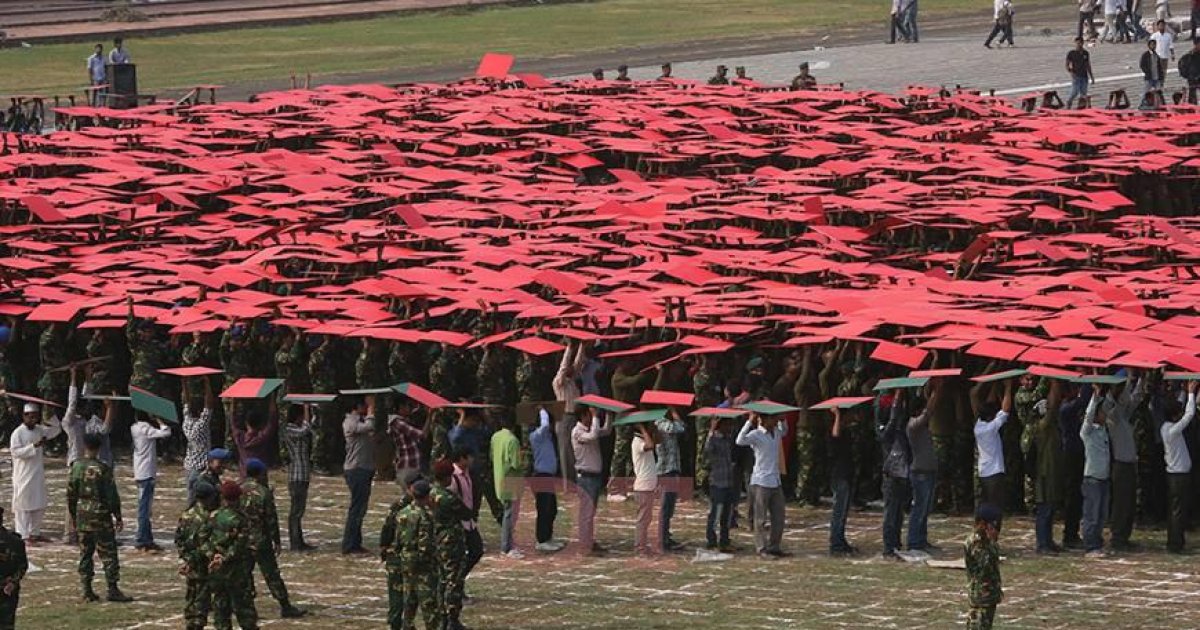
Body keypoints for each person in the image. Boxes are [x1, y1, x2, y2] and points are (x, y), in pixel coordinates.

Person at [67, 433, 131, 603]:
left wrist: (73, 515)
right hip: (101, 515)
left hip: (83, 514)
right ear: (99, 447)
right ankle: (112, 588)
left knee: (85, 553)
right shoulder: (103, 469)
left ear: (85, 445)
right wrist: (117, 515)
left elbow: (71, 493)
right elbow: (111, 495)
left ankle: (86, 589)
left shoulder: (76, 466)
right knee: (108, 553)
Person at [239, 458, 306, 619]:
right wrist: (276, 540)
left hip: (242, 539)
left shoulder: (239, 489)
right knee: (271, 574)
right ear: (260, 474)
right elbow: (271, 519)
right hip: (260, 540)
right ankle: (285, 605)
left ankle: (247, 607)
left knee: (244, 574)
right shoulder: (264, 493)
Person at [737, 410, 790, 559]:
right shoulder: (756, 434)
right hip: (761, 481)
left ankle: (774, 546)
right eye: (773, 418)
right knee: (760, 518)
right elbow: (739, 440)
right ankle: (761, 548)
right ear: (764, 419)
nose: (775, 421)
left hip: (775, 480)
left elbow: (785, 431)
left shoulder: (776, 432)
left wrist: (783, 419)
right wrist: (749, 421)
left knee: (779, 517)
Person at [206, 481, 257, 630]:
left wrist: (214, 556)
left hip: (217, 569)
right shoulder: (241, 519)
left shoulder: (214, 516)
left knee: (221, 608)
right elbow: (240, 545)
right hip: (236, 570)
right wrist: (226, 557)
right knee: (244, 609)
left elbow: (206, 539)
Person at [430, 460, 474, 630]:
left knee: (441, 580)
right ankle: (452, 619)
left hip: (437, 540)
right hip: (452, 543)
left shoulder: (430, 494)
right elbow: (466, 513)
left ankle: (442, 617)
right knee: (454, 581)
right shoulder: (448, 498)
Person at [10, 402, 61, 542]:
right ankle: (23, 535)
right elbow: (15, 452)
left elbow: (56, 430)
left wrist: (51, 415)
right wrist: (34, 446)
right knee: (23, 505)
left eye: (35, 417)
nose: (33, 419)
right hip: (23, 475)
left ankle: (35, 533)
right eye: (30, 417)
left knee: (39, 503)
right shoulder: (18, 433)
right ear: (24, 416)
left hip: (37, 474)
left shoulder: (40, 430)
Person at [380, 470, 420, 630]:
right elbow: (387, 529)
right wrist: (384, 549)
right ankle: (396, 624)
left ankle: (407, 624)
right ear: (409, 487)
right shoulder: (400, 506)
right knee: (397, 596)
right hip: (398, 557)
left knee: (412, 596)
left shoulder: (417, 504)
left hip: (410, 557)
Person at [176, 480, 218, 630]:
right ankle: (197, 624)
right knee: (202, 598)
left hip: (190, 562)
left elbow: (179, 539)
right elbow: (206, 543)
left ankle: (190, 622)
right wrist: (212, 556)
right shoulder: (207, 518)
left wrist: (186, 558)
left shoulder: (186, 515)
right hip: (202, 563)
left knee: (191, 594)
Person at [397, 479, 438, 630]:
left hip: (406, 558)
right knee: (428, 602)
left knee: (409, 598)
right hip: (421, 563)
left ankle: (407, 625)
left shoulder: (403, 512)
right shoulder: (424, 516)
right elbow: (425, 544)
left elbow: (398, 537)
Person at [973, 380, 1013, 532]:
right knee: (996, 508)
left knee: (986, 507)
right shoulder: (990, 429)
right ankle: (992, 536)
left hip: (984, 472)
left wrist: (995, 388)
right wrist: (1008, 388)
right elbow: (1006, 410)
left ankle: (982, 534)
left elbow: (989, 407)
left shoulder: (978, 425)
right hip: (994, 473)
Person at [1161, 380, 1196, 554]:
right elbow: (1189, 415)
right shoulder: (1171, 431)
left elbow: (1181, 410)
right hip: (1178, 476)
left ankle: (1176, 541)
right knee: (1177, 511)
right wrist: (1191, 392)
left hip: (1178, 475)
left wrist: (1184, 390)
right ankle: (1175, 544)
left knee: (1177, 510)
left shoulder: (1167, 427)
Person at [571, 404, 610, 554]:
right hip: (585, 478)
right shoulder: (577, 432)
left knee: (590, 513)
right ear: (583, 415)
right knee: (586, 514)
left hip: (593, 477)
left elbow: (606, 430)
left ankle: (589, 541)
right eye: (589, 414)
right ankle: (584, 544)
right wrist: (595, 416)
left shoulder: (590, 429)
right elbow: (593, 435)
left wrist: (609, 414)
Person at [907, 380, 941, 552]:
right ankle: (914, 541)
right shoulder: (913, 425)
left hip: (928, 471)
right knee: (919, 508)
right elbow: (928, 413)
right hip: (920, 472)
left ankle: (921, 539)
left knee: (925, 509)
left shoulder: (921, 426)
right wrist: (936, 393)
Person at [130, 411, 171, 552]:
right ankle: (141, 540)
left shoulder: (134, 427)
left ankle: (147, 539)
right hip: (146, 473)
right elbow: (166, 432)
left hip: (140, 471)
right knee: (144, 509)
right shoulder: (145, 428)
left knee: (146, 508)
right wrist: (159, 420)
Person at [342, 395, 376, 555]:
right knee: (356, 509)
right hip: (356, 469)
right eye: (365, 405)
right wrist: (371, 409)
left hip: (364, 468)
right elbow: (369, 426)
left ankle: (355, 543)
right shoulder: (350, 421)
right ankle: (349, 545)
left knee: (360, 509)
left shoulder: (360, 421)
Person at [879, 390, 911, 559]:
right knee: (890, 514)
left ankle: (896, 543)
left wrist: (902, 400)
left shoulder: (900, 432)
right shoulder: (885, 431)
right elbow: (892, 421)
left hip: (901, 474)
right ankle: (888, 547)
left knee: (898, 513)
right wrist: (897, 401)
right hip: (891, 476)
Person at [1080, 386, 1111, 558]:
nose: (1105, 415)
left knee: (1101, 514)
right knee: (1091, 514)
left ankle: (1097, 543)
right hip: (1092, 478)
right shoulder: (1088, 432)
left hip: (1104, 477)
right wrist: (1095, 397)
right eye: (1102, 413)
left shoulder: (1103, 430)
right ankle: (1090, 546)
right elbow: (1088, 416)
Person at [528, 407, 563, 552]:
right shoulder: (536, 436)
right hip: (541, 476)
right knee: (544, 510)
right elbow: (545, 425)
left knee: (552, 509)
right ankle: (541, 540)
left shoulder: (548, 437)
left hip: (548, 477)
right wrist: (543, 410)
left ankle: (548, 537)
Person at [283, 403, 316, 551]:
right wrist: (306, 409)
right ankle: (295, 543)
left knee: (299, 511)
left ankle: (299, 542)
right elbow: (305, 430)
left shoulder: (298, 428)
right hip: (296, 476)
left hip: (302, 475)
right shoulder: (289, 429)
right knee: (295, 512)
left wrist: (312, 412)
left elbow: (311, 427)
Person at [965, 504, 1003, 630]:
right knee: (978, 625)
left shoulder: (986, 541)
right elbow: (985, 564)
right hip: (981, 595)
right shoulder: (976, 542)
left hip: (989, 593)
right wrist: (991, 541)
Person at [449, 449, 484, 584]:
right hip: (458, 523)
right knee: (457, 557)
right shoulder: (452, 476)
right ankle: (455, 582)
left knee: (477, 550)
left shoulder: (471, 474)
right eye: (469, 457)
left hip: (469, 521)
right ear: (461, 458)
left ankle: (459, 579)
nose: (472, 460)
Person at [491, 415, 523, 558]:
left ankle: (508, 545)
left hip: (498, 477)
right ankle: (506, 547)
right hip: (511, 479)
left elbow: (491, 456)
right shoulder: (513, 440)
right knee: (510, 514)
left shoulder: (495, 437)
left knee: (507, 512)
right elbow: (516, 464)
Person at [703, 415, 737, 552]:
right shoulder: (714, 439)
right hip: (717, 482)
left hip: (728, 481)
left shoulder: (727, 440)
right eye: (727, 425)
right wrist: (711, 431)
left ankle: (724, 541)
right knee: (715, 513)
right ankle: (711, 541)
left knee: (727, 515)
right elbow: (707, 450)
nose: (730, 428)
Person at [182, 378, 214, 506]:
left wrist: (184, 383)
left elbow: (186, 402)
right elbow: (209, 405)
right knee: (203, 502)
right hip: (201, 469)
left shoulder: (186, 423)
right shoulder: (201, 426)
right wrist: (207, 383)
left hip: (189, 466)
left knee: (190, 500)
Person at [630, 419, 658, 556]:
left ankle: (642, 545)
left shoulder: (644, 439)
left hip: (648, 486)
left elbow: (658, 441)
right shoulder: (637, 442)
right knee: (642, 519)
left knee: (647, 519)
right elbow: (650, 445)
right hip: (643, 486)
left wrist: (653, 429)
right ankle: (640, 547)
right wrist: (642, 428)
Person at [388, 404, 430, 492]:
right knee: (414, 494)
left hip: (410, 464)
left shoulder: (403, 421)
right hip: (408, 465)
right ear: (401, 408)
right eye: (407, 406)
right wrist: (430, 417)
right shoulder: (398, 423)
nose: (409, 408)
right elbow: (422, 435)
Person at [0, 506, 27, 630]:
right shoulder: (15, 541)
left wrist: (12, 582)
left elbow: (22, 565)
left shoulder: (14, 542)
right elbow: (22, 566)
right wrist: (13, 582)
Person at [1066, 37, 1096, 109]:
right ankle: (1069, 102)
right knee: (1074, 92)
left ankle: (1082, 107)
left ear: (1083, 43)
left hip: (1084, 76)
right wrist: (1071, 71)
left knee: (1083, 93)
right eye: (1077, 43)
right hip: (1076, 75)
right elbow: (1067, 64)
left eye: (1080, 43)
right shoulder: (1071, 53)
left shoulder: (1085, 53)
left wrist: (1091, 76)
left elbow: (1087, 65)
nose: (1079, 44)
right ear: (1075, 43)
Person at [1141, 39, 1165, 108]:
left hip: (1157, 77)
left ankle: (1161, 105)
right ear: (1149, 45)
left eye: (1154, 45)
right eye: (1152, 44)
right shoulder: (1145, 55)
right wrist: (1147, 72)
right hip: (1149, 78)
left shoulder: (1156, 55)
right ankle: (1143, 105)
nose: (1153, 46)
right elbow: (1142, 65)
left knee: (1159, 92)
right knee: (1146, 93)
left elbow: (1159, 67)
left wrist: (1161, 77)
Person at [1179, 38, 1200, 104]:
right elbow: (1182, 66)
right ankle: (1192, 107)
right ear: (1195, 44)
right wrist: (1188, 75)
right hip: (1192, 78)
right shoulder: (1189, 56)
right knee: (1192, 94)